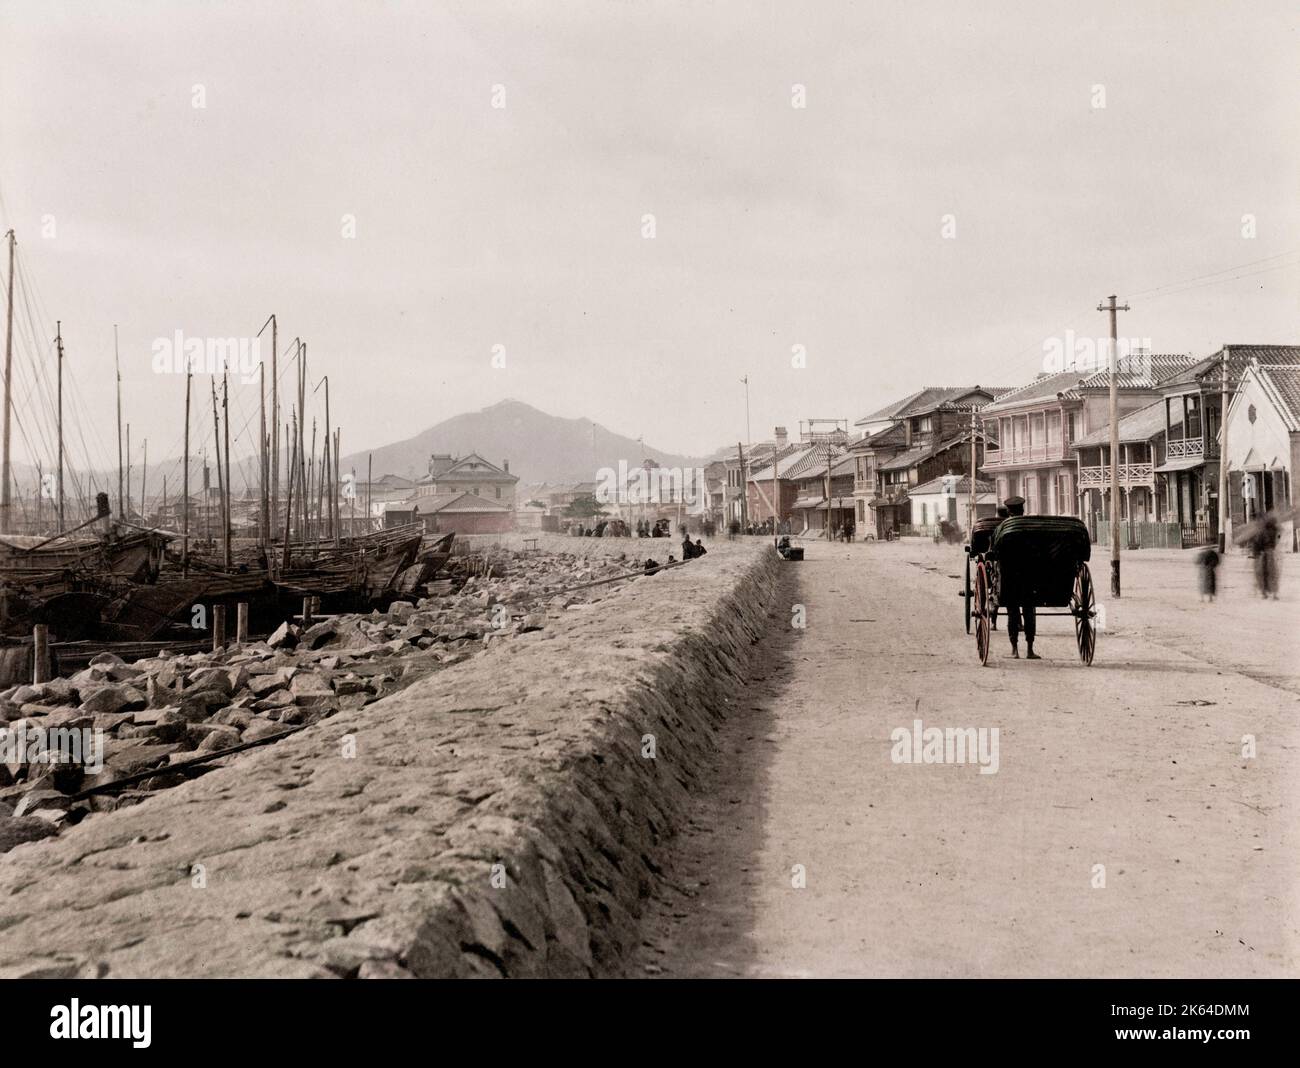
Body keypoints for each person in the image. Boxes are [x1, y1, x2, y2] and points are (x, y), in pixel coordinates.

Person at [1001, 496, 1038, 659]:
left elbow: (994, 551)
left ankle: (1014, 650)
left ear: (1008, 511)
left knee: (1012, 612)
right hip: (1029, 576)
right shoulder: (1031, 528)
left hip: (1009, 577)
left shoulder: (1003, 527)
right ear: (1022, 510)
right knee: (1029, 612)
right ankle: (1030, 649)